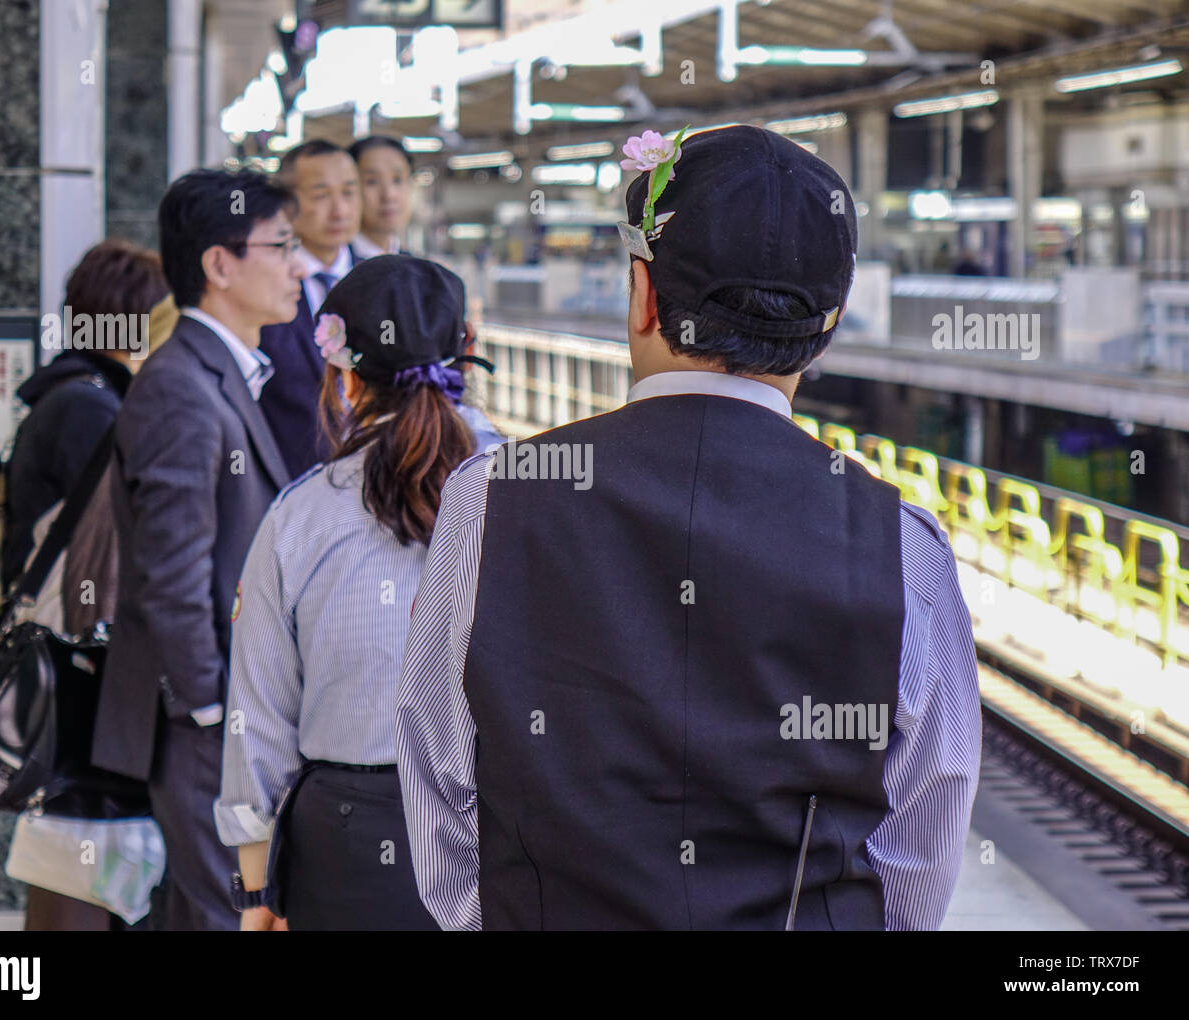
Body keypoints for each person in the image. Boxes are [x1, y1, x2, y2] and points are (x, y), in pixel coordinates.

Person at [396, 125, 981, 930]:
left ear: (642, 295)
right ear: (829, 325)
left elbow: (439, 777)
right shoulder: (903, 548)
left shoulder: (493, 500)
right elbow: (921, 838)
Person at [215, 254, 500, 931]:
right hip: (500, 841)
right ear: (468, 352)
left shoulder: (298, 517)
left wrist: (257, 899)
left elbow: (255, 725)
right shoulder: (531, 494)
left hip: (344, 852)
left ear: (344, 380)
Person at [91, 168, 300, 931]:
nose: (298, 267)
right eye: (281, 247)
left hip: (217, 719)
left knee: (202, 912)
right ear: (220, 265)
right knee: (225, 914)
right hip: (201, 724)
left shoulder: (213, 375)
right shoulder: (184, 385)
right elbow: (169, 573)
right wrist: (212, 712)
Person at [0, 239, 169, 931]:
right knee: (74, 864)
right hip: (79, 681)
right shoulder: (90, 410)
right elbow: (104, 559)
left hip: (72, 674)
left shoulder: (73, 396)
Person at [259, 140, 364, 480]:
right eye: (321, 195)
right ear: (285, 204)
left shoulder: (384, 283)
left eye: (349, 192)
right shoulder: (263, 288)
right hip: (290, 492)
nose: (339, 210)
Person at [348, 135, 413, 259]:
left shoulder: (416, 268)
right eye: (371, 182)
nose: (389, 195)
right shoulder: (333, 270)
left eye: (397, 180)